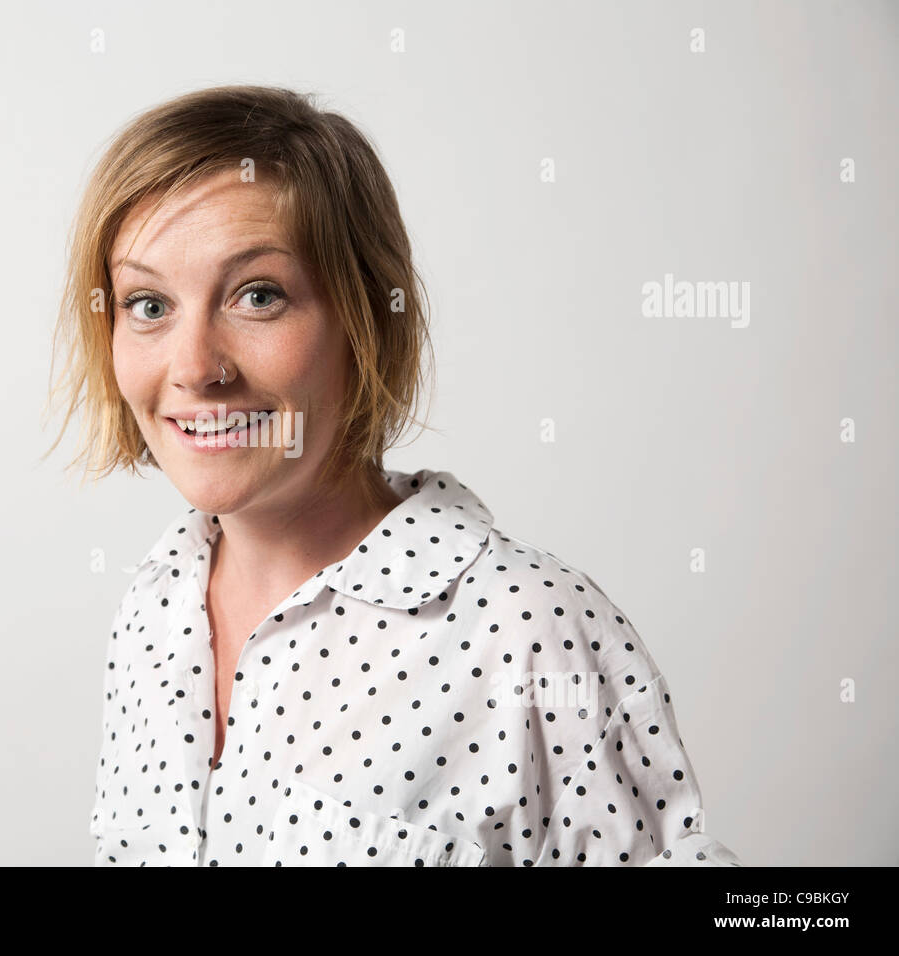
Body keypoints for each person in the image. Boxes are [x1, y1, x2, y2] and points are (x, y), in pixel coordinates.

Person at [49, 85, 742, 867]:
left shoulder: (527, 629)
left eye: (258, 295)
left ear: (368, 319)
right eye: (148, 305)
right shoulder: (153, 609)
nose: (196, 367)